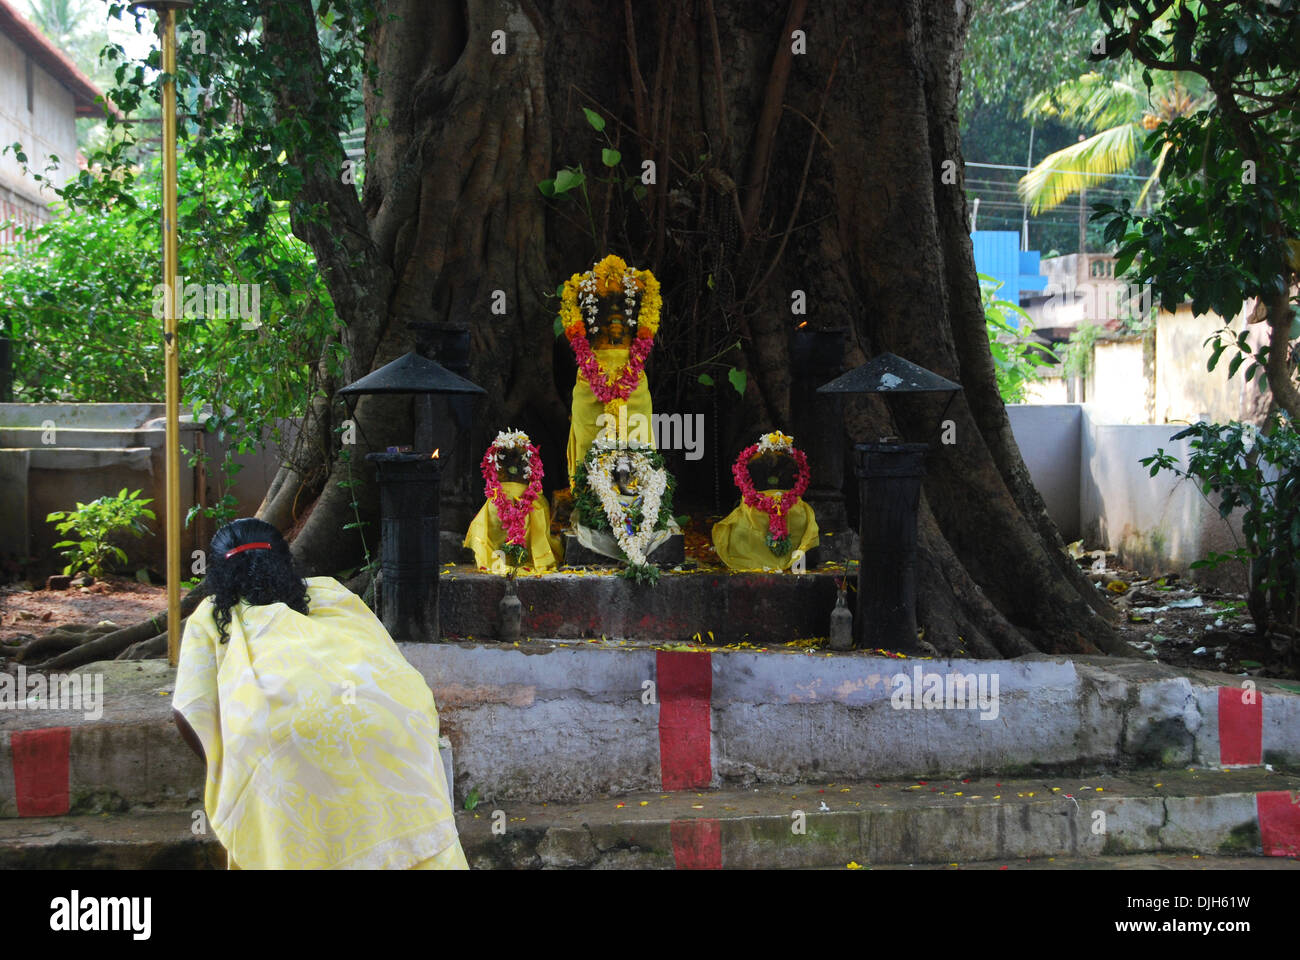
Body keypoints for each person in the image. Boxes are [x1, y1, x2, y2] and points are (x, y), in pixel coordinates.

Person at [172, 518, 467, 869]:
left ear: (219, 575)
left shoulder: (210, 617)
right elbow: (390, 662)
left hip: (282, 748)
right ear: (285, 561)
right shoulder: (332, 594)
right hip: (392, 727)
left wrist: (227, 763)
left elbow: (187, 709)